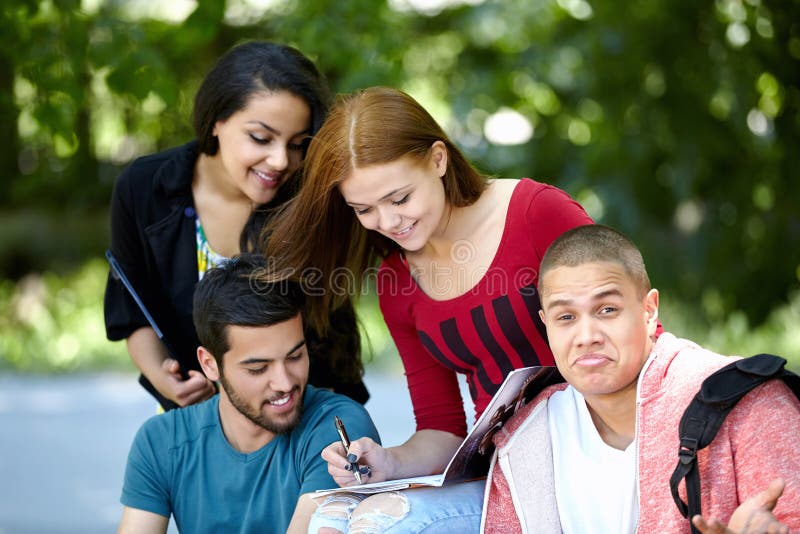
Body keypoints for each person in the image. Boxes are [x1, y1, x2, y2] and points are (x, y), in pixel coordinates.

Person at [261, 86, 594, 532]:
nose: (388, 221)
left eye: (399, 198)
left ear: (438, 159)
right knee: (335, 520)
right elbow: (443, 427)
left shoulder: (537, 213)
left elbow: (630, 332)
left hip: (596, 455)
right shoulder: (397, 282)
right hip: (506, 473)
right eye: (364, 209)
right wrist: (386, 461)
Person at [482, 224, 800, 533]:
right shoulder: (525, 440)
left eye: (606, 309)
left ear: (649, 312)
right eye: (565, 317)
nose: (586, 336)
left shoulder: (747, 402)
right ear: (546, 323)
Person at [103, 41, 368, 412]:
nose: (280, 161)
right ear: (217, 119)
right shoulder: (143, 189)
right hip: (199, 418)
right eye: (260, 138)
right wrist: (165, 380)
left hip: (310, 411)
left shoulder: (306, 195)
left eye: (296, 145)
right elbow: (133, 312)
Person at [117, 254, 380, 534]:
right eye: (258, 367)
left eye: (295, 356)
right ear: (210, 364)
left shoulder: (339, 428)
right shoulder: (162, 441)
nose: (284, 382)